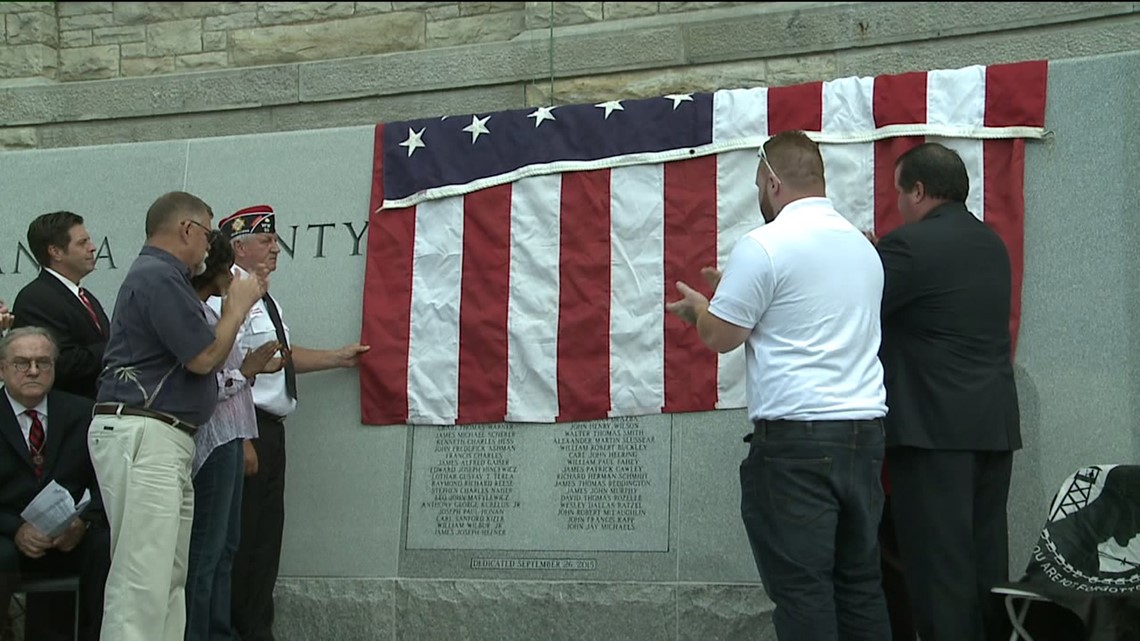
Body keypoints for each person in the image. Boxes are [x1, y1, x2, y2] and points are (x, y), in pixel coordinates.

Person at [666, 130, 892, 641]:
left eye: (756, 185)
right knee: (860, 585)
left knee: (804, 591)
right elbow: (805, 309)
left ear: (772, 181)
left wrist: (702, 309)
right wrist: (740, 293)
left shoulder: (764, 245)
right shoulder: (863, 247)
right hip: (865, 437)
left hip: (798, 447)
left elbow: (723, 337)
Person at [87, 191, 265, 641]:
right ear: (186, 229)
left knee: (169, 579)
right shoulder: (158, 276)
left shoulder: (167, 278)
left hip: (166, 437)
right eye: (207, 234)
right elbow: (204, 357)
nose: (209, 247)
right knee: (142, 578)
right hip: (144, 431)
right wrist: (237, 307)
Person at [873, 142, 1021, 641]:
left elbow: (854, 307)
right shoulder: (991, 244)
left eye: (899, 192)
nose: (897, 205)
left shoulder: (907, 247)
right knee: (985, 568)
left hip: (934, 434)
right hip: (991, 428)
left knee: (940, 577)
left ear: (917, 191)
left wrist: (864, 259)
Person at [211, 204, 369, 641]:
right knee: (239, 541)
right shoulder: (223, 296)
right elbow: (222, 368)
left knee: (264, 540)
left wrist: (337, 357)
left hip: (270, 431)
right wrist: (240, 434)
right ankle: (234, 629)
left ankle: (257, 627)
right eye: (265, 240)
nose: (275, 247)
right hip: (244, 428)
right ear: (238, 248)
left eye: (275, 239)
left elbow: (280, 356)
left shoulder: (266, 299)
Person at [185, 232, 282, 641]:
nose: (232, 278)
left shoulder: (224, 310)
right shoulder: (205, 311)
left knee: (227, 548)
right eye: (227, 270)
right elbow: (205, 376)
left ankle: (219, 631)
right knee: (205, 552)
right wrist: (245, 371)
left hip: (234, 428)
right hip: (212, 436)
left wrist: (250, 369)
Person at [0, 327, 110, 641]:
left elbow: (105, 484)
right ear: (2, 369)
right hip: (7, 535)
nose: (34, 370)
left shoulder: (82, 413)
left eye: (43, 363)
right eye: (22, 363)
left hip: (67, 534)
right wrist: (16, 529)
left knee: (106, 544)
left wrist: (82, 524)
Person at [11, 212, 110, 399]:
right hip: (68, 414)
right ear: (55, 252)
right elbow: (61, 362)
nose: (92, 248)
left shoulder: (85, 296)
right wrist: (117, 348)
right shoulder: (36, 298)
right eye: (82, 243)